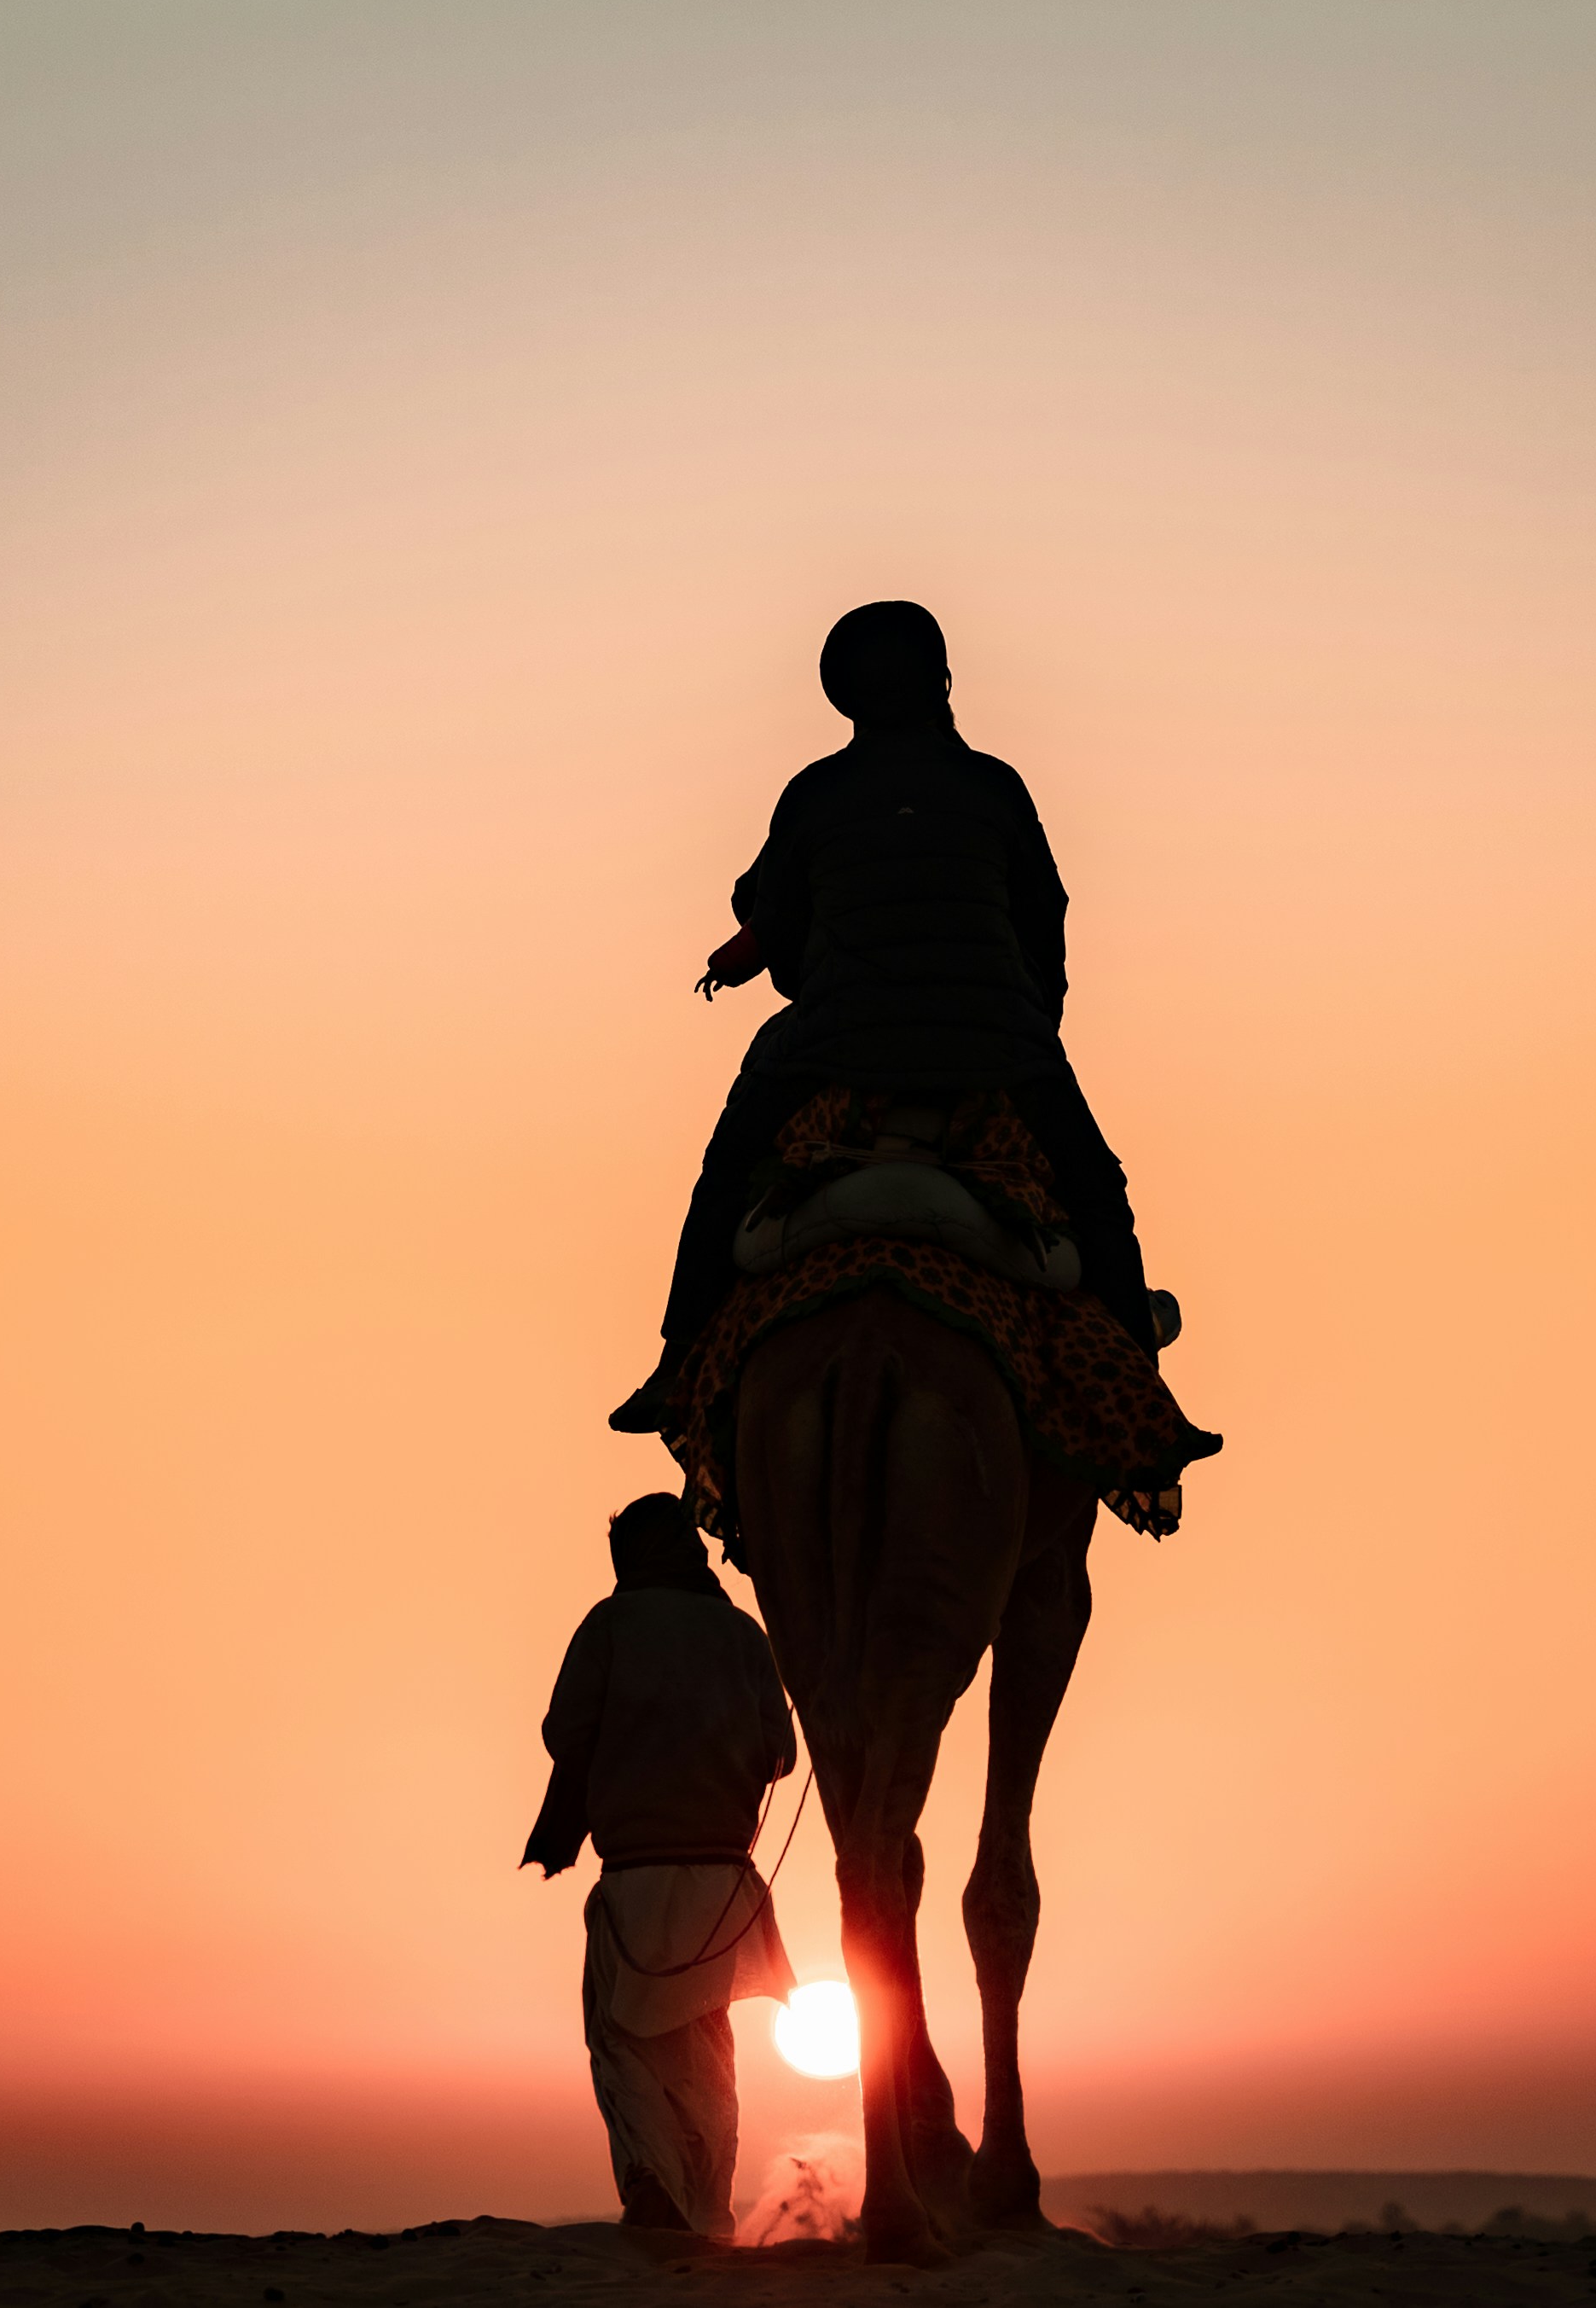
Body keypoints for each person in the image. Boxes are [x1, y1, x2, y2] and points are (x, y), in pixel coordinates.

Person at [607, 596, 1158, 1436]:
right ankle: (1137, 1380)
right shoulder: (994, 786)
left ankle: (678, 1359)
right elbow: (1044, 918)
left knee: (729, 1170)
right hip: (999, 1047)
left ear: (845, 698)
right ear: (941, 679)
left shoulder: (817, 793)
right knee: (1094, 1187)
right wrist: (1028, 1020)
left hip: (836, 1045)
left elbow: (772, 917)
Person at [523, 1489, 802, 2240]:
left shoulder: (610, 1624)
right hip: (726, 1889)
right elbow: (783, 1751)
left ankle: (653, 2185)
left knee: (622, 2042)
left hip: (638, 1880)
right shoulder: (742, 1632)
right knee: (708, 2051)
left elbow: (564, 1732)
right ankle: (708, 2214)